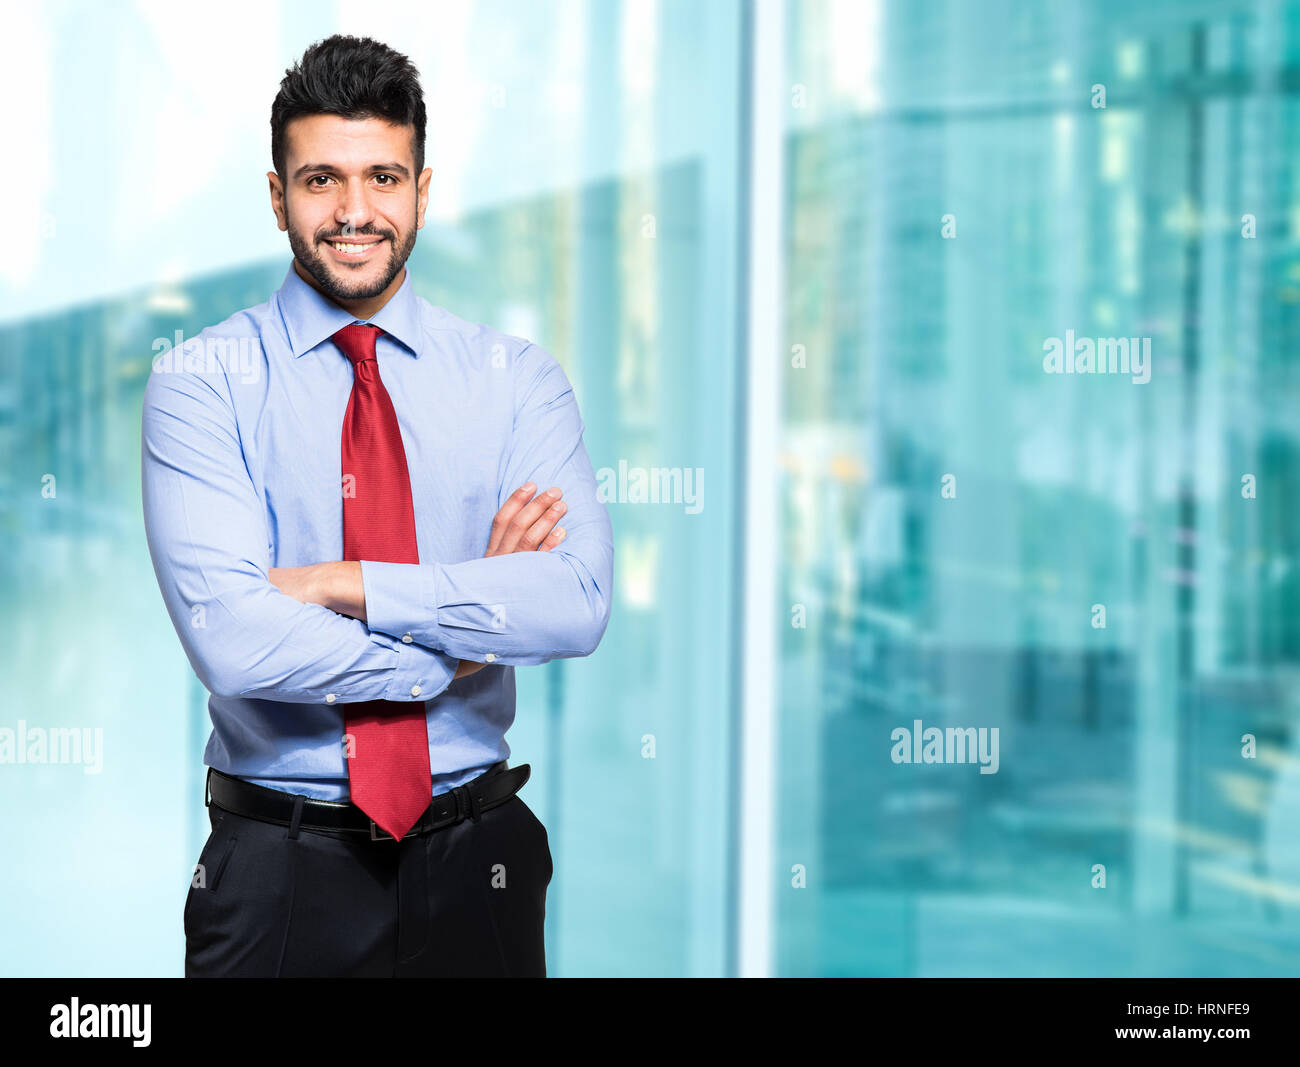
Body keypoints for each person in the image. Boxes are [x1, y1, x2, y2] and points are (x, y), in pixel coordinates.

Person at [141, 33, 613, 978]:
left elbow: (576, 601)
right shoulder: (203, 382)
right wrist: (466, 635)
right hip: (283, 869)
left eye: (383, 178)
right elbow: (233, 639)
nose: (355, 212)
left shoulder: (515, 382)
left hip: (482, 857)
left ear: (423, 192)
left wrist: (344, 583)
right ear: (277, 197)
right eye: (321, 180)